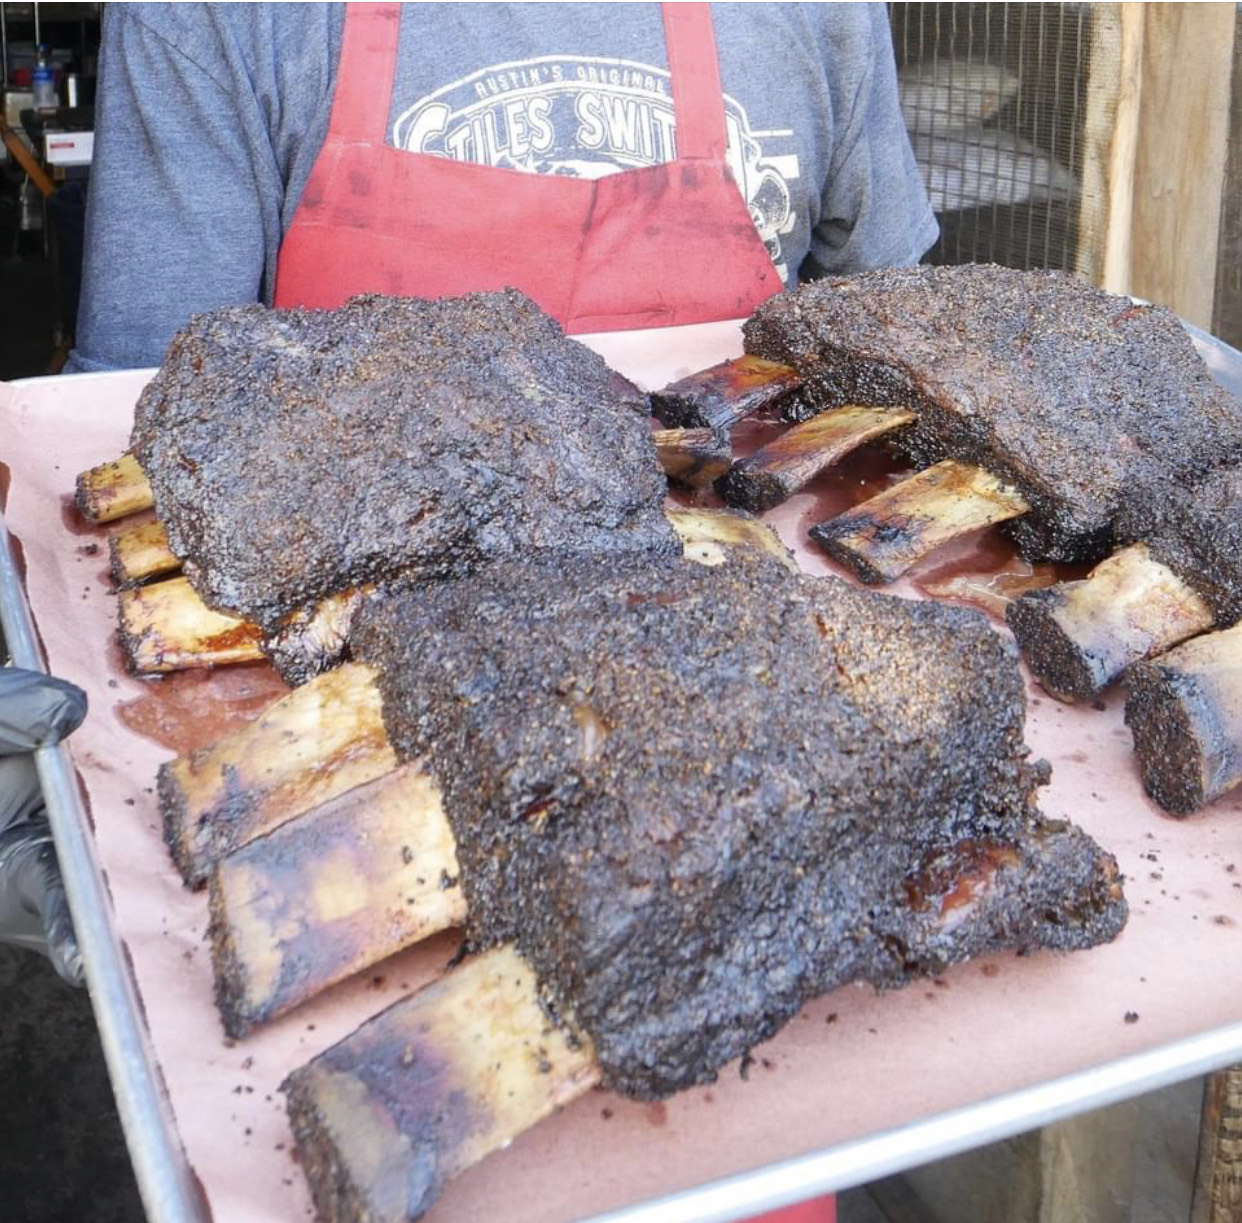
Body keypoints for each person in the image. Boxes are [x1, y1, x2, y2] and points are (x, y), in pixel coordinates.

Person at [68, 1, 936, 371]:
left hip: (754, 654)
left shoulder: (818, 11)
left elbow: (898, 345)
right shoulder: (220, 17)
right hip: (350, 682)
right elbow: (143, 426)